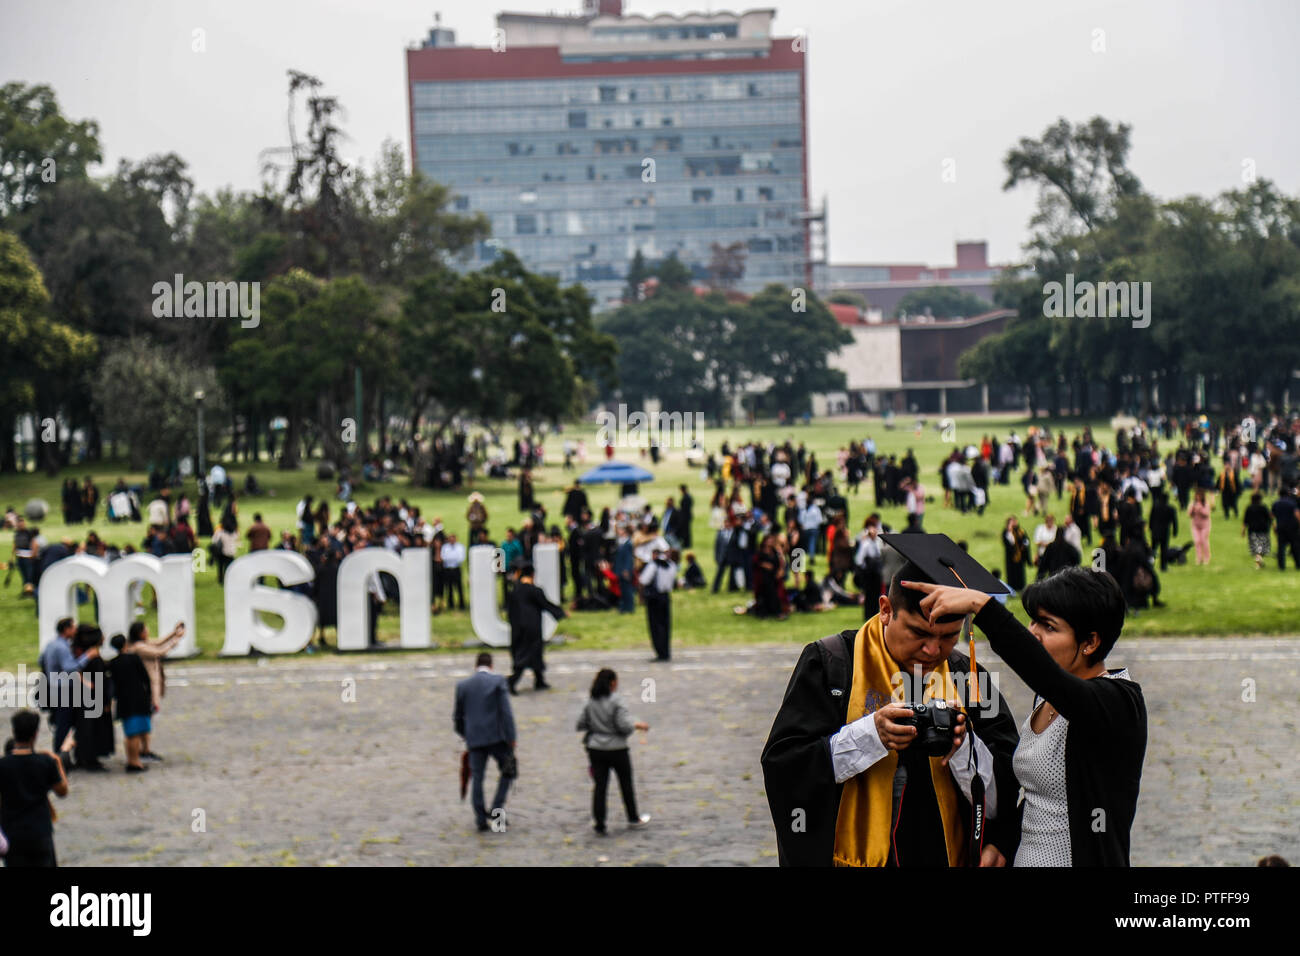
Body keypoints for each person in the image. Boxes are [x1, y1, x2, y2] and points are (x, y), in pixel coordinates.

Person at [761, 535, 1021, 867]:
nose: (932, 650)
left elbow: (1010, 785)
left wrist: (963, 746)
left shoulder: (968, 677)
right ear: (885, 610)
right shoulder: (831, 665)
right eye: (919, 633)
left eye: (947, 637)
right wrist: (871, 735)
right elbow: (785, 768)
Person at [902, 565, 1147, 866]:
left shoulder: (1118, 702)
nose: (1033, 634)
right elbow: (1038, 801)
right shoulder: (1046, 699)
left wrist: (981, 606)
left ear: (1090, 642)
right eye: (1032, 622)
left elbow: (1042, 672)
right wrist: (1003, 842)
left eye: (1049, 626)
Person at [576, 668, 651, 835]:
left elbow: (581, 723)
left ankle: (600, 823)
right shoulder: (617, 701)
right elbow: (623, 725)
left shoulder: (591, 701)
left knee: (600, 787)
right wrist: (634, 727)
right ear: (612, 682)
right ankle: (633, 818)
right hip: (617, 748)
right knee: (625, 784)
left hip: (595, 749)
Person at [453, 652, 517, 833]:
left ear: (476, 665)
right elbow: (506, 712)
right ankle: (497, 814)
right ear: (491, 665)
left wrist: (465, 734)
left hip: (475, 740)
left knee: (477, 779)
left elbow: (457, 716)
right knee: (508, 773)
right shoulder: (498, 682)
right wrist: (512, 737)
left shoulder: (463, 686)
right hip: (497, 738)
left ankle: (480, 819)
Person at [0, 711, 69, 866]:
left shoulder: (3, 765)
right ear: (35, 734)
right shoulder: (44, 762)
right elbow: (62, 791)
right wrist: (58, 761)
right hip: (40, 831)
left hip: (12, 832)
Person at [124, 621, 184, 761]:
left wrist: (174, 633)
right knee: (146, 717)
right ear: (140, 632)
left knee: (148, 716)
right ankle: (142, 750)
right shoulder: (138, 647)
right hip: (147, 687)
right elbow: (159, 651)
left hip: (150, 686)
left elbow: (159, 642)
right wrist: (175, 640)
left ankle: (145, 749)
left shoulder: (140, 644)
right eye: (146, 629)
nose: (148, 632)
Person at [506, 562, 566, 694]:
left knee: (529, 653)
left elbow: (509, 611)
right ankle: (511, 681)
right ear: (533, 574)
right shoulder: (535, 590)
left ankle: (539, 680)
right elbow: (546, 605)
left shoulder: (515, 590)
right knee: (529, 653)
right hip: (532, 627)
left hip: (518, 628)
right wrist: (561, 613)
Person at [106, 634, 153, 773]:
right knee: (136, 733)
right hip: (138, 699)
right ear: (125, 644)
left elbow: (112, 684)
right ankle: (135, 761)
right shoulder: (134, 658)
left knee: (129, 733)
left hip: (123, 701)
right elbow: (145, 678)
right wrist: (149, 694)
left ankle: (131, 759)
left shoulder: (112, 663)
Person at [70, 625, 113, 772]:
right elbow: (100, 682)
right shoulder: (94, 659)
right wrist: (106, 701)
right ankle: (90, 758)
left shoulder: (82, 656)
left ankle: (82, 756)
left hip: (83, 698)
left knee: (84, 728)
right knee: (93, 729)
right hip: (94, 699)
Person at [640, 546, 677, 662]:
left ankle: (660, 652)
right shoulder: (671, 564)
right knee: (666, 625)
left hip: (654, 598)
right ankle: (666, 651)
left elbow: (644, 580)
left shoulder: (653, 565)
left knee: (655, 626)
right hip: (666, 597)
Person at [1241, 491, 1272, 570]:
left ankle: (1258, 562)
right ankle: (1259, 561)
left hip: (1252, 530)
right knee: (1262, 547)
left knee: (1255, 547)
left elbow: (1245, 520)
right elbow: (1269, 518)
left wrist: (1243, 530)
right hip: (1263, 529)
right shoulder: (1263, 507)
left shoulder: (1249, 508)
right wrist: (1274, 527)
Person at [1271, 487, 1300, 570]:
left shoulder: (1276, 503)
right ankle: (1298, 564)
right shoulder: (1292, 503)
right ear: (1288, 494)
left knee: (1281, 548)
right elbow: (1297, 515)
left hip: (1281, 527)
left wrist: (1274, 527)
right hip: (1292, 527)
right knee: (1295, 547)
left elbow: (1272, 516)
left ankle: (1281, 566)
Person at [1188, 489, 1213, 565]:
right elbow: (1189, 514)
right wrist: (1192, 510)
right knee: (1197, 541)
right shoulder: (1193, 503)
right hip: (1195, 525)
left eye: (1199, 495)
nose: (1198, 497)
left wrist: (1200, 509)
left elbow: (1207, 514)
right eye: (1196, 495)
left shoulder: (1205, 504)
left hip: (1205, 525)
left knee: (1204, 541)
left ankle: (1206, 557)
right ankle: (1199, 558)